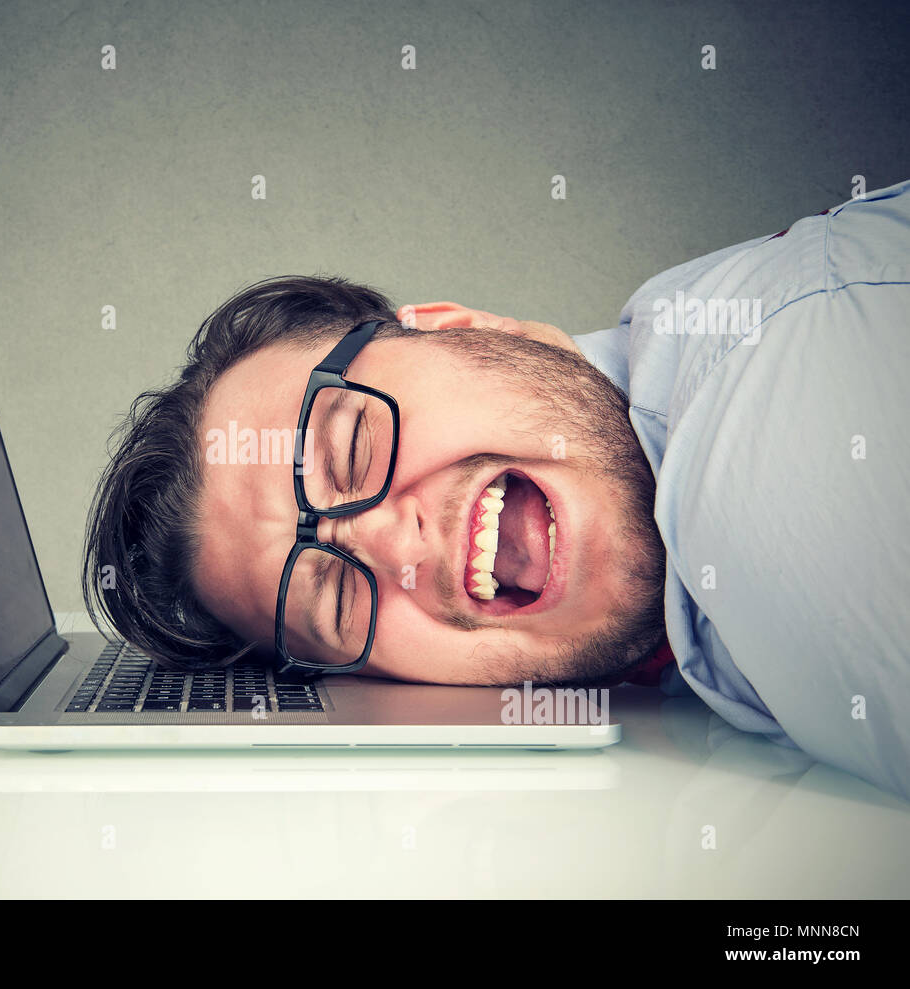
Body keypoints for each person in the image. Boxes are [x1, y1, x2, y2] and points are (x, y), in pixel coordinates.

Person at [83, 180, 910, 798]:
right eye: (334, 600)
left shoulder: (758, 461)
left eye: (351, 449)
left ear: (457, 327)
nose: (390, 545)